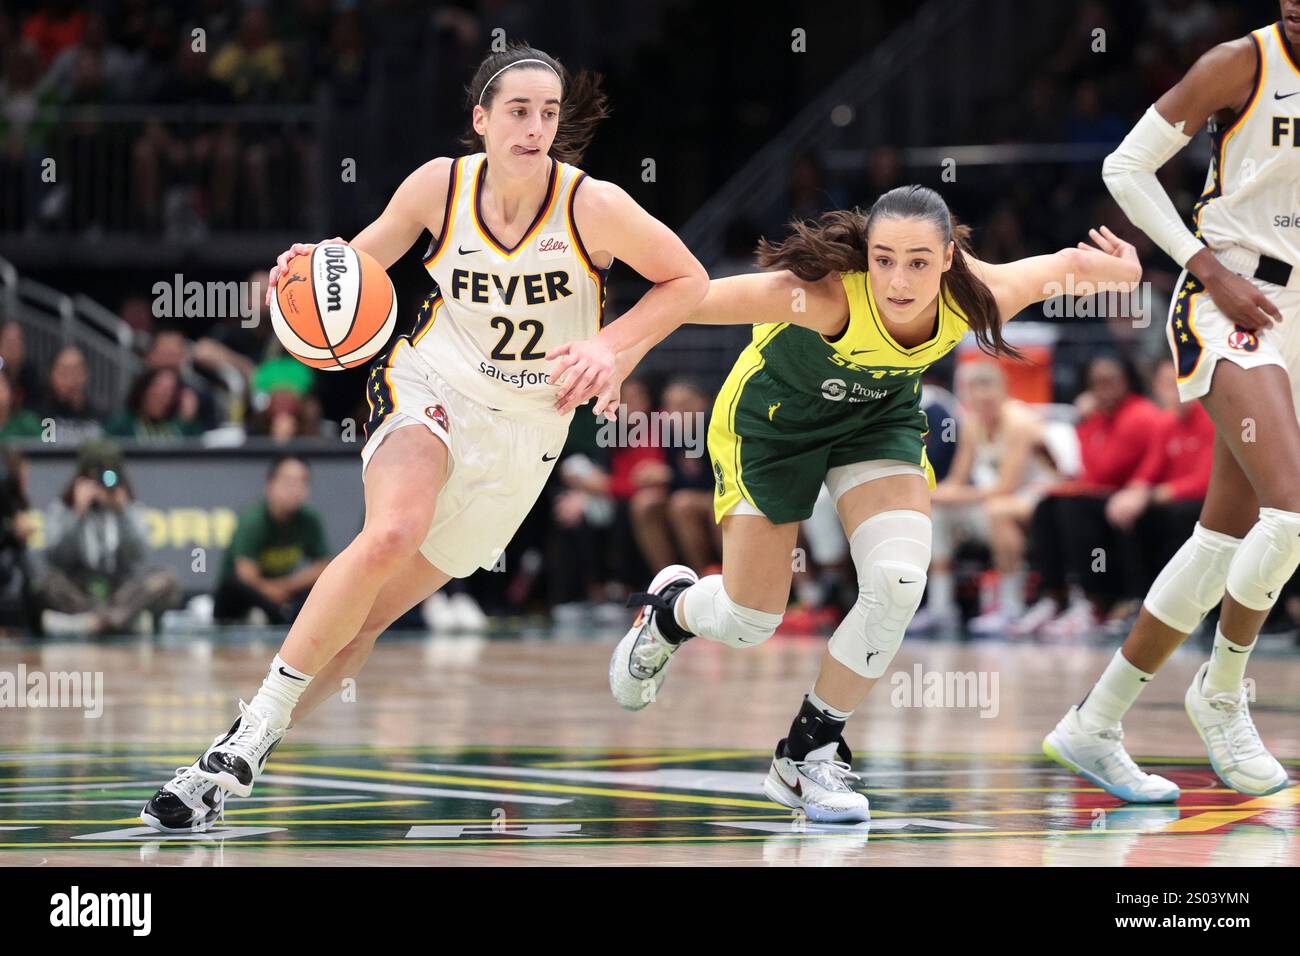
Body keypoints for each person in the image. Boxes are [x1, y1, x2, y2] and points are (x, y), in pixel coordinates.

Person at [141, 44, 707, 832]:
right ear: (481, 120)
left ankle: (230, 756)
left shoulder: (593, 206)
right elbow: (360, 264)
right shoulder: (439, 187)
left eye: (549, 113)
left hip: (528, 432)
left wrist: (612, 345)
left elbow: (689, 281)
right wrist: (306, 272)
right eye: (518, 110)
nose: (536, 126)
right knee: (392, 531)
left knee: (367, 621)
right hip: (429, 382)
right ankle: (255, 725)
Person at [608, 184, 1141, 822]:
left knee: (897, 580)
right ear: (867, 254)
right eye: (884, 258)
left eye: (918, 261)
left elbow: (1072, 268)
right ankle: (670, 613)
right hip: (771, 426)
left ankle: (808, 752)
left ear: (949, 258)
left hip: (873, 422)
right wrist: (611, 352)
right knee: (751, 620)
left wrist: (1125, 270)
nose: (898, 279)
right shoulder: (825, 293)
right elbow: (692, 297)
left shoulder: (980, 294)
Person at [1045, 8, 1299, 801]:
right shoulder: (1241, 61)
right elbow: (1125, 168)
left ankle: (1095, 721)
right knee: (1291, 514)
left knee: (1223, 537)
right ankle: (1221, 694)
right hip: (1231, 294)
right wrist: (1203, 265)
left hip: (1295, 315)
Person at [1014, 354, 1162, 641]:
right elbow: (1087, 469)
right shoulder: (1098, 418)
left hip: (1133, 495)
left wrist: (1087, 421)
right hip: (1102, 494)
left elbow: (1107, 470)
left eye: (1110, 381)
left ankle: (1093, 601)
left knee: (1074, 509)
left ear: (1127, 381)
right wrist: (1085, 422)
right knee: (1047, 507)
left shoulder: (1141, 414)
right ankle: (1053, 597)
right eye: (1096, 382)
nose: (1103, 388)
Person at [918, 360, 1057, 635]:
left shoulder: (1019, 422)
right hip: (997, 498)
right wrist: (931, 495)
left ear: (1003, 391)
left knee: (997, 510)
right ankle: (940, 606)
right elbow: (957, 479)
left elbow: (1006, 487)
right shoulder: (972, 425)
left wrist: (952, 496)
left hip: (1041, 496)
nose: (982, 401)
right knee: (935, 513)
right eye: (975, 395)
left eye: (988, 396)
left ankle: (1011, 607)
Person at [39, 440, 181, 637]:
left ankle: (95, 624)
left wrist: (122, 514)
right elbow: (55, 557)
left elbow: (140, 556)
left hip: (120, 590)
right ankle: (121, 623)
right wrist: (77, 514)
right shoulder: (63, 508)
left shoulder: (128, 508)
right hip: (81, 589)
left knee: (165, 580)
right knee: (46, 582)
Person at [213, 455, 329, 626]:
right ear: (270, 486)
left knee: (323, 588)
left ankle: (286, 616)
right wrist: (272, 591)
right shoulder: (253, 519)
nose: (295, 489)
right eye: (289, 482)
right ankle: (268, 616)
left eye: (302, 482)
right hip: (247, 594)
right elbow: (245, 573)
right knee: (235, 587)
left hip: (284, 590)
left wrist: (285, 587)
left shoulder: (309, 519)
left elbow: (324, 565)